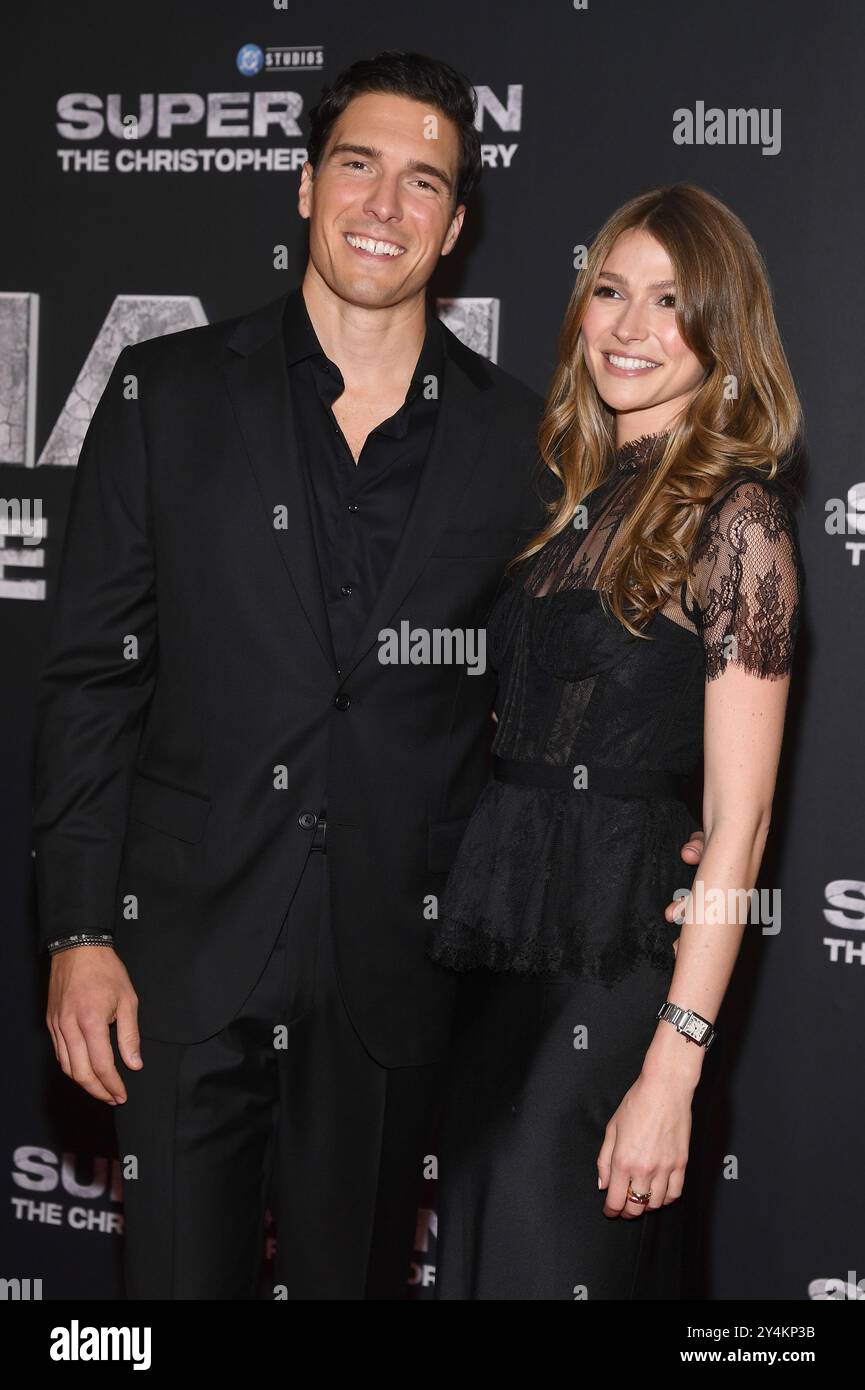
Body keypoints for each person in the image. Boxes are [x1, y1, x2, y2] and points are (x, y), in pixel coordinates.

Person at [32, 52, 704, 1300]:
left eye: (422, 182)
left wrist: (657, 818)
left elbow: (575, 663)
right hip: (177, 954)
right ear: (302, 187)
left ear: (455, 225)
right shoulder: (162, 394)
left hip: (399, 970)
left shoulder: (531, 441)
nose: (383, 206)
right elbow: (90, 682)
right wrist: (77, 927)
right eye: (357, 166)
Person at [427, 183, 804, 1300]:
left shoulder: (739, 522)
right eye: (609, 292)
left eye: (670, 303)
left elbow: (740, 826)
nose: (630, 328)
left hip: (617, 974)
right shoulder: (566, 505)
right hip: (502, 957)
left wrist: (673, 1066)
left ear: (722, 335)